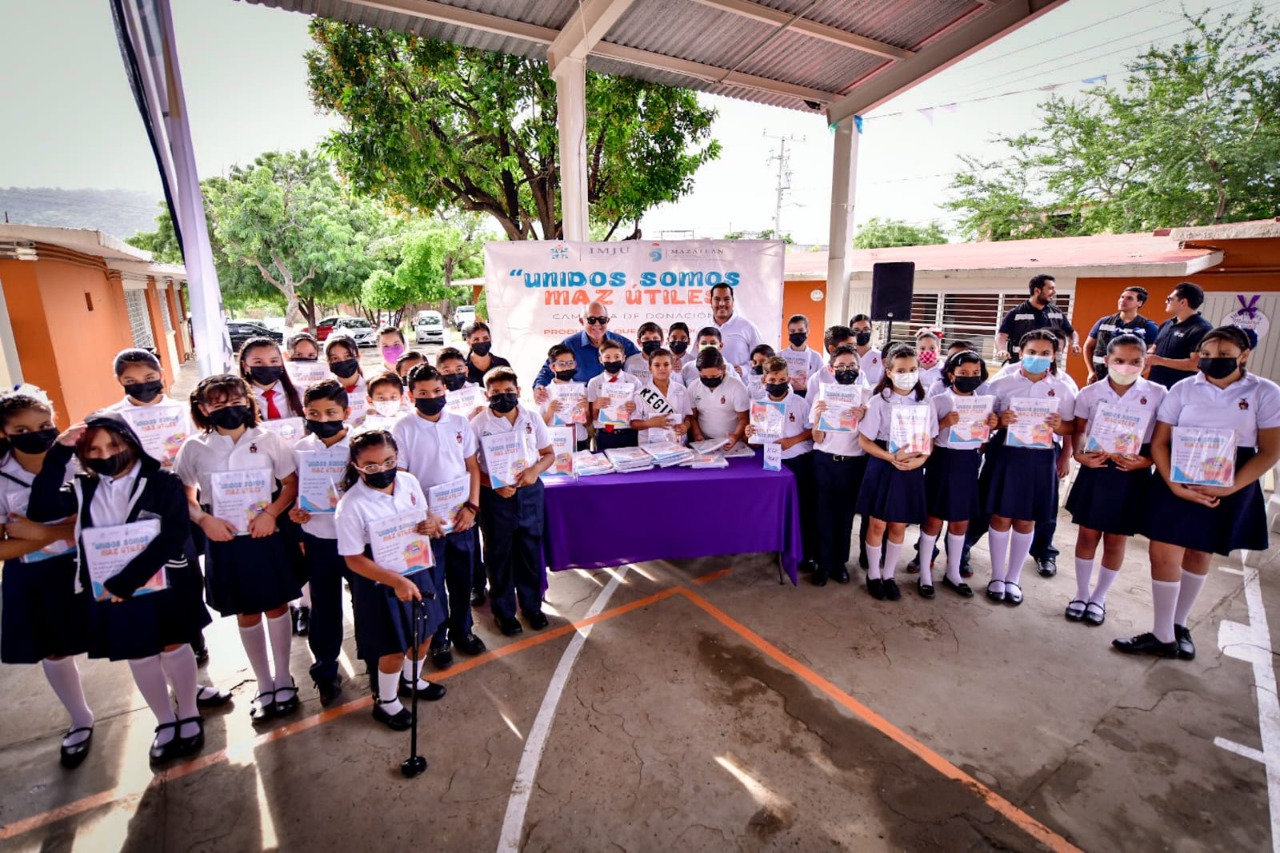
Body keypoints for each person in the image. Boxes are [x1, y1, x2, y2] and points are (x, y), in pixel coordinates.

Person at [30, 412, 212, 765]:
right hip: (112, 592)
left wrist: (129, 580)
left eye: (113, 445)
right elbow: (40, 509)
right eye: (93, 449)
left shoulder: (162, 481)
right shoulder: (83, 488)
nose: (105, 454)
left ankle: (188, 711)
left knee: (174, 644)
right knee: (139, 653)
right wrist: (56, 453)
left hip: (161, 582)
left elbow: (175, 535)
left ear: (130, 442)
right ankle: (164, 720)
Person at [1116, 326, 1280, 659]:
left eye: (1223, 355)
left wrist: (1229, 486)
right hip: (1176, 475)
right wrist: (1173, 484)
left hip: (1229, 481)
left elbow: (1269, 451)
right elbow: (1161, 442)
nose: (1212, 361)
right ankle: (1162, 635)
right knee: (1162, 553)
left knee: (1199, 552)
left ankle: (1179, 625)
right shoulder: (1183, 389)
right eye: (1205, 355)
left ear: (1244, 355)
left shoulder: (1265, 392)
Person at [174, 374, 302, 724]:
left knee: (277, 606)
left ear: (248, 401)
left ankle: (283, 679)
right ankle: (263, 685)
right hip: (226, 540)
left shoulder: (268, 438)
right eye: (217, 403)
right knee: (246, 612)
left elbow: (290, 483)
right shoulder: (194, 447)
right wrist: (204, 520)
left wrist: (272, 514)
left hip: (266, 535)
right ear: (201, 409)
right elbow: (184, 495)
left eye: (235, 401)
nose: (229, 409)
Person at [0, 389, 95, 768]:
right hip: (35, 576)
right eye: (21, 429)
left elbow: (103, 516)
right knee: (55, 648)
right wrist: (61, 531)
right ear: (5, 433)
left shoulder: (80, 458)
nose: (36, 434)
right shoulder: (3, 476)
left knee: (133, 631)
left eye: (44, 426)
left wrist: (38, 533)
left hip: (91, 563)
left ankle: (176, 692)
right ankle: (80, 718)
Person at [334, 429, 446, 730]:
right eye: (371, 466)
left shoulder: (408, 482)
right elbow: (353, 559)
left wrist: (432, 523)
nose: (382, 470)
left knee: (424, 635)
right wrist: (394, 581)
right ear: (357, 467)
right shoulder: (351, 506)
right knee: (393, 647)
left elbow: (425, 516)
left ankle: (412, 680)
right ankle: (386, 701)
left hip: (417, 570)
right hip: (379, 583)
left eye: (388, 461)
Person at [1064, 334, 1166, 628]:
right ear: (1107, 361)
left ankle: (1099, 598)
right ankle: (1081, 594)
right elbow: (1080, 431)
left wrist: (1147, 461)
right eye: (1119, 361)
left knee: (1116, 539)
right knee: (1087, 535)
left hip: (1131, 473)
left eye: (1135, 362)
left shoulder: (1159, 393)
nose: (1126, 367)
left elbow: (1162, 438)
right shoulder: (1090, 393)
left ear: (1145, 363)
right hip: (1096, 469)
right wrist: (1080, 455)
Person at [395, 364, 487, 669]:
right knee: (431, 585)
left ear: (444, 390)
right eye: (422, 393)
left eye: (436, 391)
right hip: (425, 524)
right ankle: (438, 639)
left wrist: (471, 507)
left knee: (462, 580)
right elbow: (403, 479)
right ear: (411, 395)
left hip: (461, 519)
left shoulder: (459, 423)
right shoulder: (403, 429)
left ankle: (464, 630)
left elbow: (472, 467)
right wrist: (425, 515)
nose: (431, 397)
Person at [982, 330, 1076, 606]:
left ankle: (1013, 579)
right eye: (1032, 352)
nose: (1038, 357)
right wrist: (1000, 420)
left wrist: (1064, 452)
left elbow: (1072, 426)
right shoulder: (1001, 383)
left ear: (1055, 355)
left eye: (1045, 353)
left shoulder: (1063, 387)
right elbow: (987, 420)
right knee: (1000, 516)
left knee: (1026, 519)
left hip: (1041, 458)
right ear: (1020, 353)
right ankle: (997, 577)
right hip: (1007, 455)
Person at [471, 367, 555, 636]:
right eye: (496, 393)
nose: (503, 397)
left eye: (508, 391)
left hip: (530, 494)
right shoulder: (478, 424)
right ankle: (504, 612)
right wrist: (491, 485)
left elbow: (548, 454)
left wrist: (534, 471)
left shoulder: (531, 417)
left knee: (530, 552)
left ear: (518, 392)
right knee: (499, 556)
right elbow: (470, 467)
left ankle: (532, 606)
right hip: (496, 499)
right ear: (487, 395)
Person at [287, 380, 355, 706]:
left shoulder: (360, 445)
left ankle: (376, 660)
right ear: (305, 414)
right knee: (324, 607)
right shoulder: (300, 450)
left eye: (331, 412)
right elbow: (294, 493)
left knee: (367, 603)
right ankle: (326, 671)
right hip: (319, 540)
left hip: (358, 542)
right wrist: (297, 514)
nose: (323, 418)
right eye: (314, 413)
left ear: (346, 412)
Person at [914, 350, 998, 598]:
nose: (969, 378)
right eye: (963, 373)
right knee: (934, 519)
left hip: (968, 463)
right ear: (951, 375)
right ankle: (925, 575)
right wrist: (942, 423)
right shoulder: (938, 400)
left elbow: (982, 441)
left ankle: (953, 572)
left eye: (975, 373)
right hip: (942, 462)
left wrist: (992, 426)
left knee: (961, 521)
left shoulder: (984, 402)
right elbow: (923, 435)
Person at [857, 346, 936, 601]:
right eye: (901, 370)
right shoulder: (878, 401)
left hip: (909, 467)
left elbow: (930, 441)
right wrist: (889, 457)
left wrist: (921, 461)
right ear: (888, 372)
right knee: (877, 523)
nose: (908, 374)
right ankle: (874, 575)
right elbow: (865, 441)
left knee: (898, 524)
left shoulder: (925, 403)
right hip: (882, 464)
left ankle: (889, 575)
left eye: (913, 370)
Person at [748, 357, 817, 570]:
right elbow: (756, 442)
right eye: (772, 379)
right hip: (771, 463)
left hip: (798, 462)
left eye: (781, 379)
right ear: (764, 380)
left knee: (803, 509)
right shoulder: (759, 403)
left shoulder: (800, 403)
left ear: (788, 379)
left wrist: (792, 441)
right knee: (775, 509)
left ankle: (806, 554)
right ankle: (777, 547)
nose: (777, 383)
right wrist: (749, 433)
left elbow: (811, 431)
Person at [808, 345, 869, 586]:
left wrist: (864, 415)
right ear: (831, 369)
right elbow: (817, 437)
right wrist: (820, 418)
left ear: (859, 368)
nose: (846, 370)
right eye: (841, 366)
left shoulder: (867, 396)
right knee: (824, 513)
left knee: (845, 516)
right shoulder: (822, 395)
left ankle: (839, 562)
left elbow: (871, 436)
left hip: (853, 463)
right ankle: (823, 563)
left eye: (851, 366)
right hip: (825, 461)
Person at [532, 302, 639, 391]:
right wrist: (539, 387)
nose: (597, 324)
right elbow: (549, 369)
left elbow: (642, 363)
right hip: (581, 406)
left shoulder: (622, 343)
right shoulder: (570, 344)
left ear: (608, 320)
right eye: (591, 320)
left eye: (602, 319)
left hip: (619, 403)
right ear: (581, 321)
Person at [995, 274, 1079, 363]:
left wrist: (1074, 343)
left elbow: (1071, 332)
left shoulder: (1057, 313)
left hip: (1048, 366)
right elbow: (1001, 335)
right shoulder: (1016, 313)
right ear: (1037, 291)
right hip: (1021, 364)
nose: (1054, 292)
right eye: (1051, 288)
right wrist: (1001, 350)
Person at [1083, 287, 1160, 383]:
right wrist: (1090, 371)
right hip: (1100, 378)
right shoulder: (1103, 322)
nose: (1123, 300)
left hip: (1129, 382)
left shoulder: (1148, 326)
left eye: (1129, 298)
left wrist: (1136, 376)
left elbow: (1151, 357)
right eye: (1122, 297)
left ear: (1139, 303)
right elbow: (1088, 347)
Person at [1146, 282, 1214, 389]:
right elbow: (1154, 348)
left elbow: (1196, 364)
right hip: (1156, 386)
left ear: (1183, 302)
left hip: (1180, 390)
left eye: (1169, 299)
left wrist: (1160, 361)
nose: (1166, 301)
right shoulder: (1167, 323)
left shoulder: (1201, 329)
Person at [688, 348, 750, 450]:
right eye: (704, 376)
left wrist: (736, 436)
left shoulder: (737, 387)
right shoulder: (693, 387)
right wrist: (697, 435)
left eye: (714, 376)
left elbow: (744, 418)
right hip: (706, 442)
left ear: (724, 368)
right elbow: (692, 417)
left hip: (733, 442)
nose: (709, 380)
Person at [631, 347, 692, 445]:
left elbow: (688, 416)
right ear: (650, 368)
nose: (662, 368)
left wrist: (686, 426)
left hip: (677, 445)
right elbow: (633, 423)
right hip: (649, 447)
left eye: (666, 364)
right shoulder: (641, 393)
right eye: (657, 365)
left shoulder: (682, 389)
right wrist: (650, 423)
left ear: (671, 367)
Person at [588, 340, 641, 451]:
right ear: (600, 360)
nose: (612, 361)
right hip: (604, 434)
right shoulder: (594, 383)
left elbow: (640, 413)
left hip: (628, 433)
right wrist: (595, 406)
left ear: (623, 358)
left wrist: (635, 407)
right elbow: (593, 417)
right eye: (607, 357)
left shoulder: (634, 381)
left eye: (617, 357)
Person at [239, 337, 305, 421]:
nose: (267, 366)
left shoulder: (301, 393)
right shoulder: (238, 400)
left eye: (274, 361)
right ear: (244, 365)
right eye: (258, 362)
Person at [540, 344, 590, 451]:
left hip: (580, 441)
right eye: (562, 364)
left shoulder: (583, 390)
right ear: (553, 367)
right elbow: (539, 426)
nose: (567, 367)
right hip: (556, 443)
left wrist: (586, 410)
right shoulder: (545, 393)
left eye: (570, 363)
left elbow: (588, 423)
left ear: (575, 364)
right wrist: (550, 412)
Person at [709, 282, 765, 369]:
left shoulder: (748, 327)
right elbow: (695, 359)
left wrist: (744, 370)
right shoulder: (703, 327)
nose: (722, 304)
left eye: (726, 299)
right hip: (709, 382)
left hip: (741, 382)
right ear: (711, 302)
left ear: (733, 301)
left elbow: (763, 358)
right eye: (717, 299)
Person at [325, 335, 369, 424]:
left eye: (348, 356)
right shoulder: (325, 392)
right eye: (335, 358)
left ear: (358, 356)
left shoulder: (371, 388)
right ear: (328, 361)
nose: (342, 362)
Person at [782, 314, 824, 396]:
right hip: (784, 398)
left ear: (807, 331)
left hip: (808, 398)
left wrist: (805, 386)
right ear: (788, 333)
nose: (796, 334)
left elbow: (822, 382)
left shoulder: (816, 357)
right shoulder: (780, 356)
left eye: (800, 331)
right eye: (792, 331)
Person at [463, 321, 512, 387]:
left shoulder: (502, 364)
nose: (481, 342)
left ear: (490, 339)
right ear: (468, 342)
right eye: (476, 339)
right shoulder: (462, 367)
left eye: (485, 338)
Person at [625, 322, 666, 386]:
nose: (651, 342)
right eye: (646, 339)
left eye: (655, 338)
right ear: (639, 342)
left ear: (662, 341)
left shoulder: (668, 362)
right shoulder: (630, 361)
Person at [849, 315, 885, 387]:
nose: (861, 333)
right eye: (857, 330)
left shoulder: (881, 356)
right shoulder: (846, 356)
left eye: (865, 329)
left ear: (871, 331)